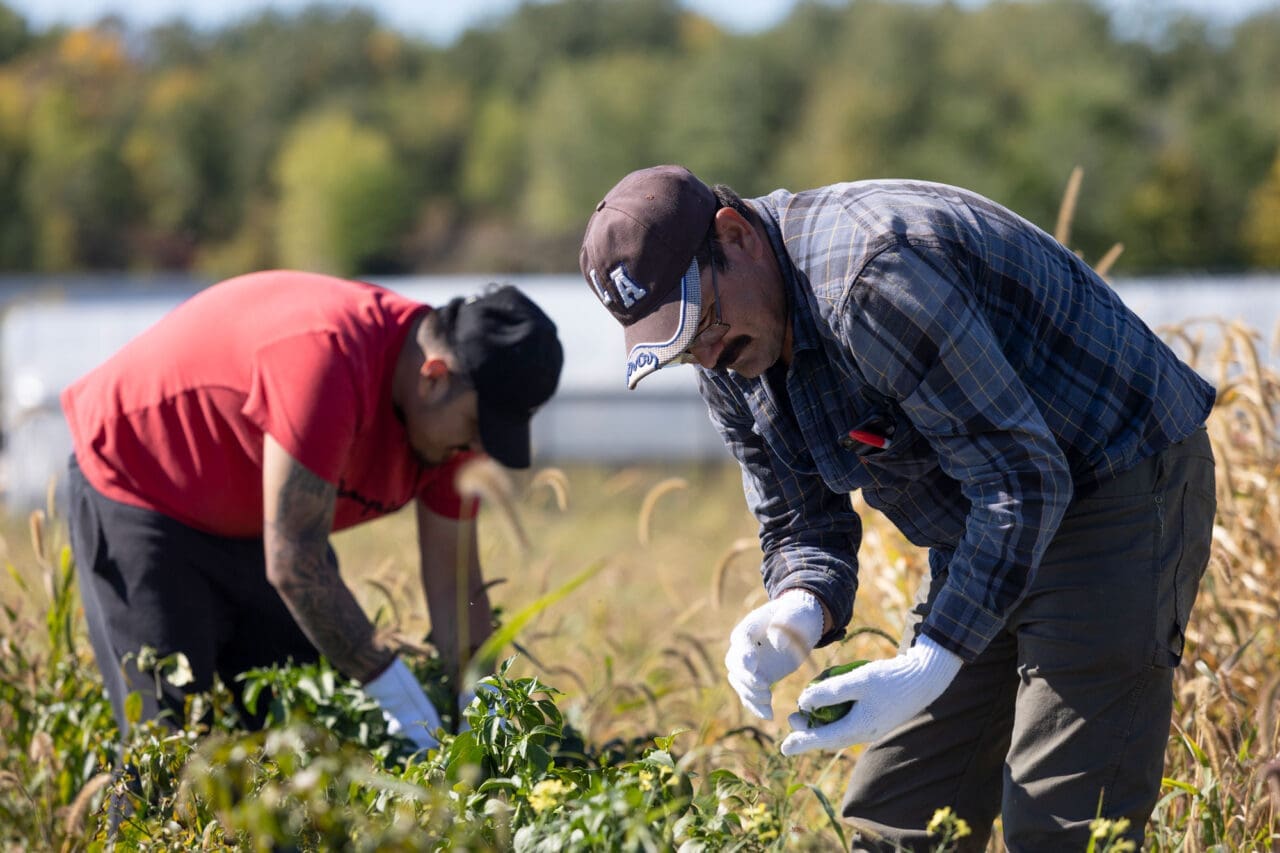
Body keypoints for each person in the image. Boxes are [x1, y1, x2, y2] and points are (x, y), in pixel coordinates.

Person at [579, 165, 1216, 851]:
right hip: (991, 512)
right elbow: (800, 520)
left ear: (734, 237)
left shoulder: (869, 280)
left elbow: (1023, 476)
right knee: (898, 814)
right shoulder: (727, 355)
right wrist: (799, 603)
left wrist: (933, 658)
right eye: (678, 347)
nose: (705, 353)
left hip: (1115, 476)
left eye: (701, 320)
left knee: (1062, 824)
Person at [62, 270, 563, 752]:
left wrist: (486, 708)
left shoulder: (452, 431)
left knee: (310, 740)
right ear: (434, 376)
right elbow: (295, 566)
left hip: (257, 521)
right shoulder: (330, 363)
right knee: (169, 749)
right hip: (143, 489)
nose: (477, 446)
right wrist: (393, 691)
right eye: (477, 425)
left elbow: (458, 589)